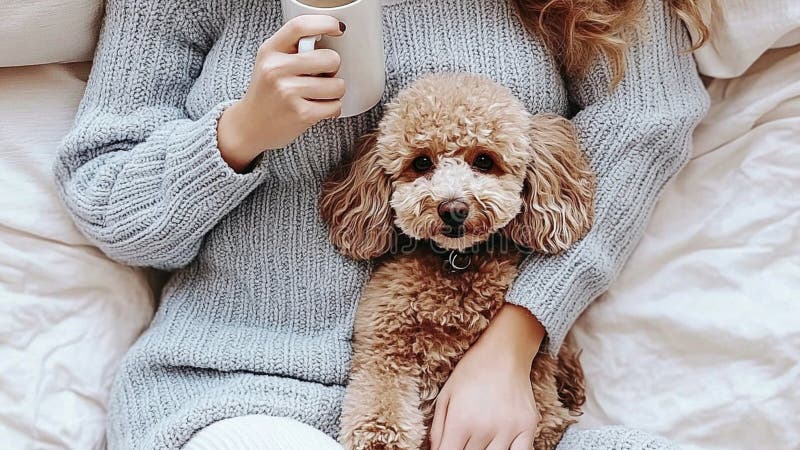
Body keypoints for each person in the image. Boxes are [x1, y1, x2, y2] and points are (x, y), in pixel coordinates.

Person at [54, 0, 710, 448]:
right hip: (248, 388)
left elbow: (647, 121)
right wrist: (242, 130)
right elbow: (109, 201)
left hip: (485, 391)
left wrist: (515, 341)